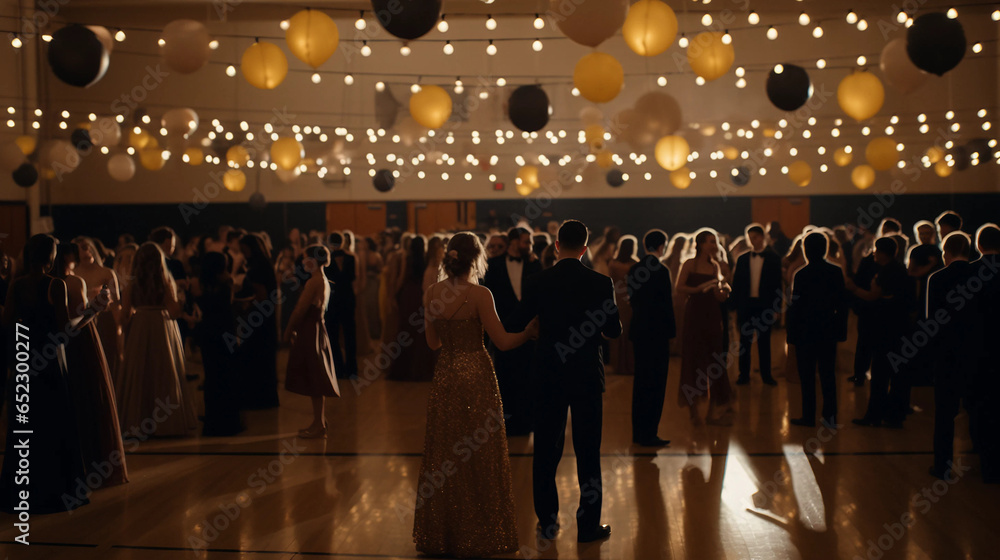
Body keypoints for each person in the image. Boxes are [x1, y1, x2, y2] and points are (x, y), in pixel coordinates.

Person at [413, 232, 536, 557]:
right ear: (475, 258)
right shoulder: (481, 294)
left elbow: (432, 344)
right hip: (479, 377)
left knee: (445, 454)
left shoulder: (431, 293)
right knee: (480, 454)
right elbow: (504, 342)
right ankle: (480, 531)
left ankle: (445, 533)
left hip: (446, 377)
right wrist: (529, 333)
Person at [507, 220, 620, 543]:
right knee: (588, 452)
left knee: (545, 449)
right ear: (585, 248)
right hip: (585, 373)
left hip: (548, 372)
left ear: (557, 246)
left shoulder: (538, 281)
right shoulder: (600, 282)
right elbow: (614, 330)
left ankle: (548, 523)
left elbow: (515, 322)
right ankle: (587, 527)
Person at [1, 235, 99, 513]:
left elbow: (7, 321)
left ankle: (19, 492)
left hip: (23, 360)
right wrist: (91, 311)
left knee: (24, 427)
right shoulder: (55, 285)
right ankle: (55, 491)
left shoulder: (17, 285)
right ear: (50, 257)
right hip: (49, 361)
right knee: (54, 425)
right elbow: (64, 329)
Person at [52, 243, 128, 487]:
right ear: (68, 257)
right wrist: (96, 306)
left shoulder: (43, 282)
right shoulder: (73, 282)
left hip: (50, 348)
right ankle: (95, 463)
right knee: (92, 396)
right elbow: (73, 324)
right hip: (82, 342)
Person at [117, 243, 198, 437]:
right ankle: (164, 423)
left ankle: (137, 423)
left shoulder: (131, 284)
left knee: (140, 374)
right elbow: (174, 311)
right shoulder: (165, 283)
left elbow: (124, 316)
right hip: (162, 326)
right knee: (164, 373)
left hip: (140, 327)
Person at [926, 232, 984, 479]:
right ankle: (984, 460)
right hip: (976, 352)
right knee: (979, 407)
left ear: (944, 251)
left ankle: (943, 465)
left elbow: (932, 323)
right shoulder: (981, 276)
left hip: (947, 353)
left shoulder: (937, 278)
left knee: (945, 413)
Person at [848, 236, 913, 428]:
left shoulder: (886, 272)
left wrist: (853, 288)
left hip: (886, 330)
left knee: (880, 374)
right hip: (900, 330)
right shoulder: (900, 269)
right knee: (898, 375)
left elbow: (872, 296)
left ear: (883, 252)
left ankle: (874, 416)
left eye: (876, 250)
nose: (873, 253)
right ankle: (895, 416)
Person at [483, 226, 542, 435]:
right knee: (505, 377)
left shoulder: (535, 266)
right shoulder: (493, 265)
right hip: (504, 329)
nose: (530, 246)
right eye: (526, 241)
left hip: (531, 330)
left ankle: (528, 421)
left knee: (529, 376)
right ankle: (507, 422)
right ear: (514, 242)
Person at [787, 232, 849, 427]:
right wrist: (841, 330)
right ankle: (830, 417)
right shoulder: (836, 271)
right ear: (825, 250)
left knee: (807, 377)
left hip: (806, 332)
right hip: (828, 330)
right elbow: (842, 304)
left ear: (805, 250)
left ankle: (808, 416)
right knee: (828, 375)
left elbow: (795, 307)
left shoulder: (801, 274)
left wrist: (791, 335)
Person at [676, 229, 734, 426]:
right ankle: (694, 413)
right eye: (710, 241)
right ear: (700, 244)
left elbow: (718, 294)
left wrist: (723, 291)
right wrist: (698, 289)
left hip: (712, 314)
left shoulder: (715, 266)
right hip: (694, 315)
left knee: (715, 361)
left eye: (715, 242)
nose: (713, 245)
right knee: (693, 360)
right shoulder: (689, 264)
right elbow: (679, 287)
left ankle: (711, 413)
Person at [284, 245, 340, 439]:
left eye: (306, 258)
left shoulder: (313, 282)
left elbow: (300, 310)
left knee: (314, 376)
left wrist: (288, 330)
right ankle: (319, 420)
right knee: (316, 375)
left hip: (310, 330)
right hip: (316, 329)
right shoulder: (323, 280)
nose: (303, 262)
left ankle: (319, 423)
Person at [627, 229, 675, 447]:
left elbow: (633, 301)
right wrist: (672, 332)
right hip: (657, 333)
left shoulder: (634, 269)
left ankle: (638, 432)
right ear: (661, 246)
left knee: (640, 382)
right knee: (656, 384)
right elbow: (666, 305)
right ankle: (650, 432)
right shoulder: (662, 270)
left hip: (639, 331)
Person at [196, 252, 244, 437]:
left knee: (212, 378)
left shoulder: (200, 285)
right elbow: (227, 307)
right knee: (227, 377)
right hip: (225, 333)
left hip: (208, 334)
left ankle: (213, 421)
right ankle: (229, 422)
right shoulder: (227, 283)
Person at [730, 224, 782, 386]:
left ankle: (766, 375)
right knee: (744, 342)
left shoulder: (773, 258)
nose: (753, 241)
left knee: (764, 342)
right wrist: (734, 306)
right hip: (746, 304)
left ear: (762, 237)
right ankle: (743, 375)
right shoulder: (743, 258)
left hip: (765, 305)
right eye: (751, 238)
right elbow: (737, 284)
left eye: (756, 237)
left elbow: (777, 285)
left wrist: (776, 308)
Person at [235, 233, 280, 409]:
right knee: (264, 359)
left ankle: (256, 399)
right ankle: (266, 398)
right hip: (264, 319)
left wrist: (243, 304)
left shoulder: (257, 268)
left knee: (255, 358)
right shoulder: (265, 264)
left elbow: (260, 295)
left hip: (257, 320)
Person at [971, 224, 1000, 483]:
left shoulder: (971, 273)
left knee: (981, 406)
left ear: (978, 245)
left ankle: (986, 463)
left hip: (978, 350)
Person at [387, 235, 436, 381]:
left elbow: (401, 277)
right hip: (421, 294)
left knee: (405, 330)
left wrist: (393, 296)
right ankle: (421, 369)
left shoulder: (406, 258)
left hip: (408, 295)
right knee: (420, 331)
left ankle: (403, 370)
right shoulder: (427, 259)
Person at [74, 236, 122, 378]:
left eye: (87, 246)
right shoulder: (73, 274)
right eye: (81, 248)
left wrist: (119, 330)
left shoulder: (107, 273)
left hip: (105, 321)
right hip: (82, 322)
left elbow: (116, 303)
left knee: (108, 363)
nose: (86, 251)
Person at [325, 232, 358, 379]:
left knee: (333, 335)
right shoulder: (350, 257)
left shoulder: (327, 259)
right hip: (348, 298)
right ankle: (351, 369)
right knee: (349, 334)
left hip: (333, 299)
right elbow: (353, 277)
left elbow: (328, 279)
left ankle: (338, 369)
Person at [608, 235, 639, 376]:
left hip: (616, 299)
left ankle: (618, 365)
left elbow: (610, 282)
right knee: (629, 334)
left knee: (617, 333)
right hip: (630, 300)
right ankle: (629, 365)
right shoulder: (635, 264)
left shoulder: (613, 264)